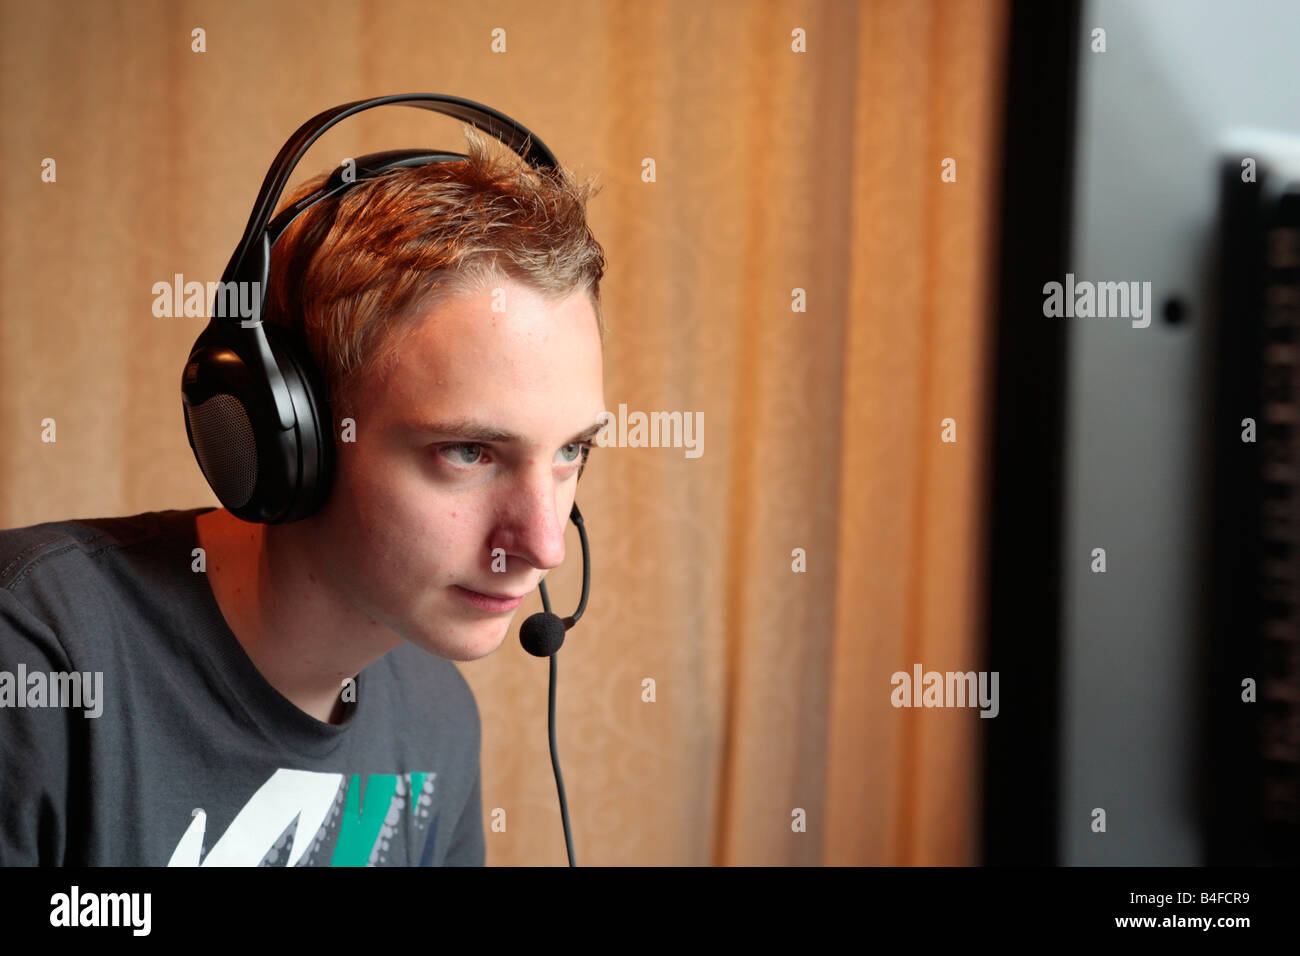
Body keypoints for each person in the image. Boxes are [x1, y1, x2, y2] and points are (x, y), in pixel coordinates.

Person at [0, 124, 608, 866]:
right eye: (469, 451)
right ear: (286, 436)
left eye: (572, 449)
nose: (544, 544)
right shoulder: (37, 656)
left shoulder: (437, 718)